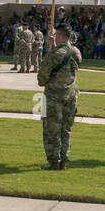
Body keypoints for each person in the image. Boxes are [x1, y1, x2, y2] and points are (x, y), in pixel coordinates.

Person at [37, 23, 81, 170]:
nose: (54, 36)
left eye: (56, 34)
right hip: (71, 95)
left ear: (61, 36)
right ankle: (64, 159)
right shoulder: (76, 52)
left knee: (51, 129)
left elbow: (41, 79)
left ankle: (54, 160)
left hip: (53, 96)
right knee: (66, 129)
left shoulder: (54, 54)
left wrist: (50, 50)